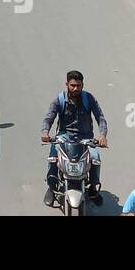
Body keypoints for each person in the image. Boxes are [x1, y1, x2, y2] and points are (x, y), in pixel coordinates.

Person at [40, 70, 108, 206]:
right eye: (72, 85)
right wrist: (45, 132)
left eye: (78, 85)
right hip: (64, 136)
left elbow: (100, 118)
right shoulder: (59, 100)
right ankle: (52, 187)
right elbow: (49, 117)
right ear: (67, 85)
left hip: (86, 137)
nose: (75, 88)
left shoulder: (89, 99)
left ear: (82, 85)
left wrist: (102, 135)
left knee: (95, 159)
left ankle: (93, 188)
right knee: (53, 157)